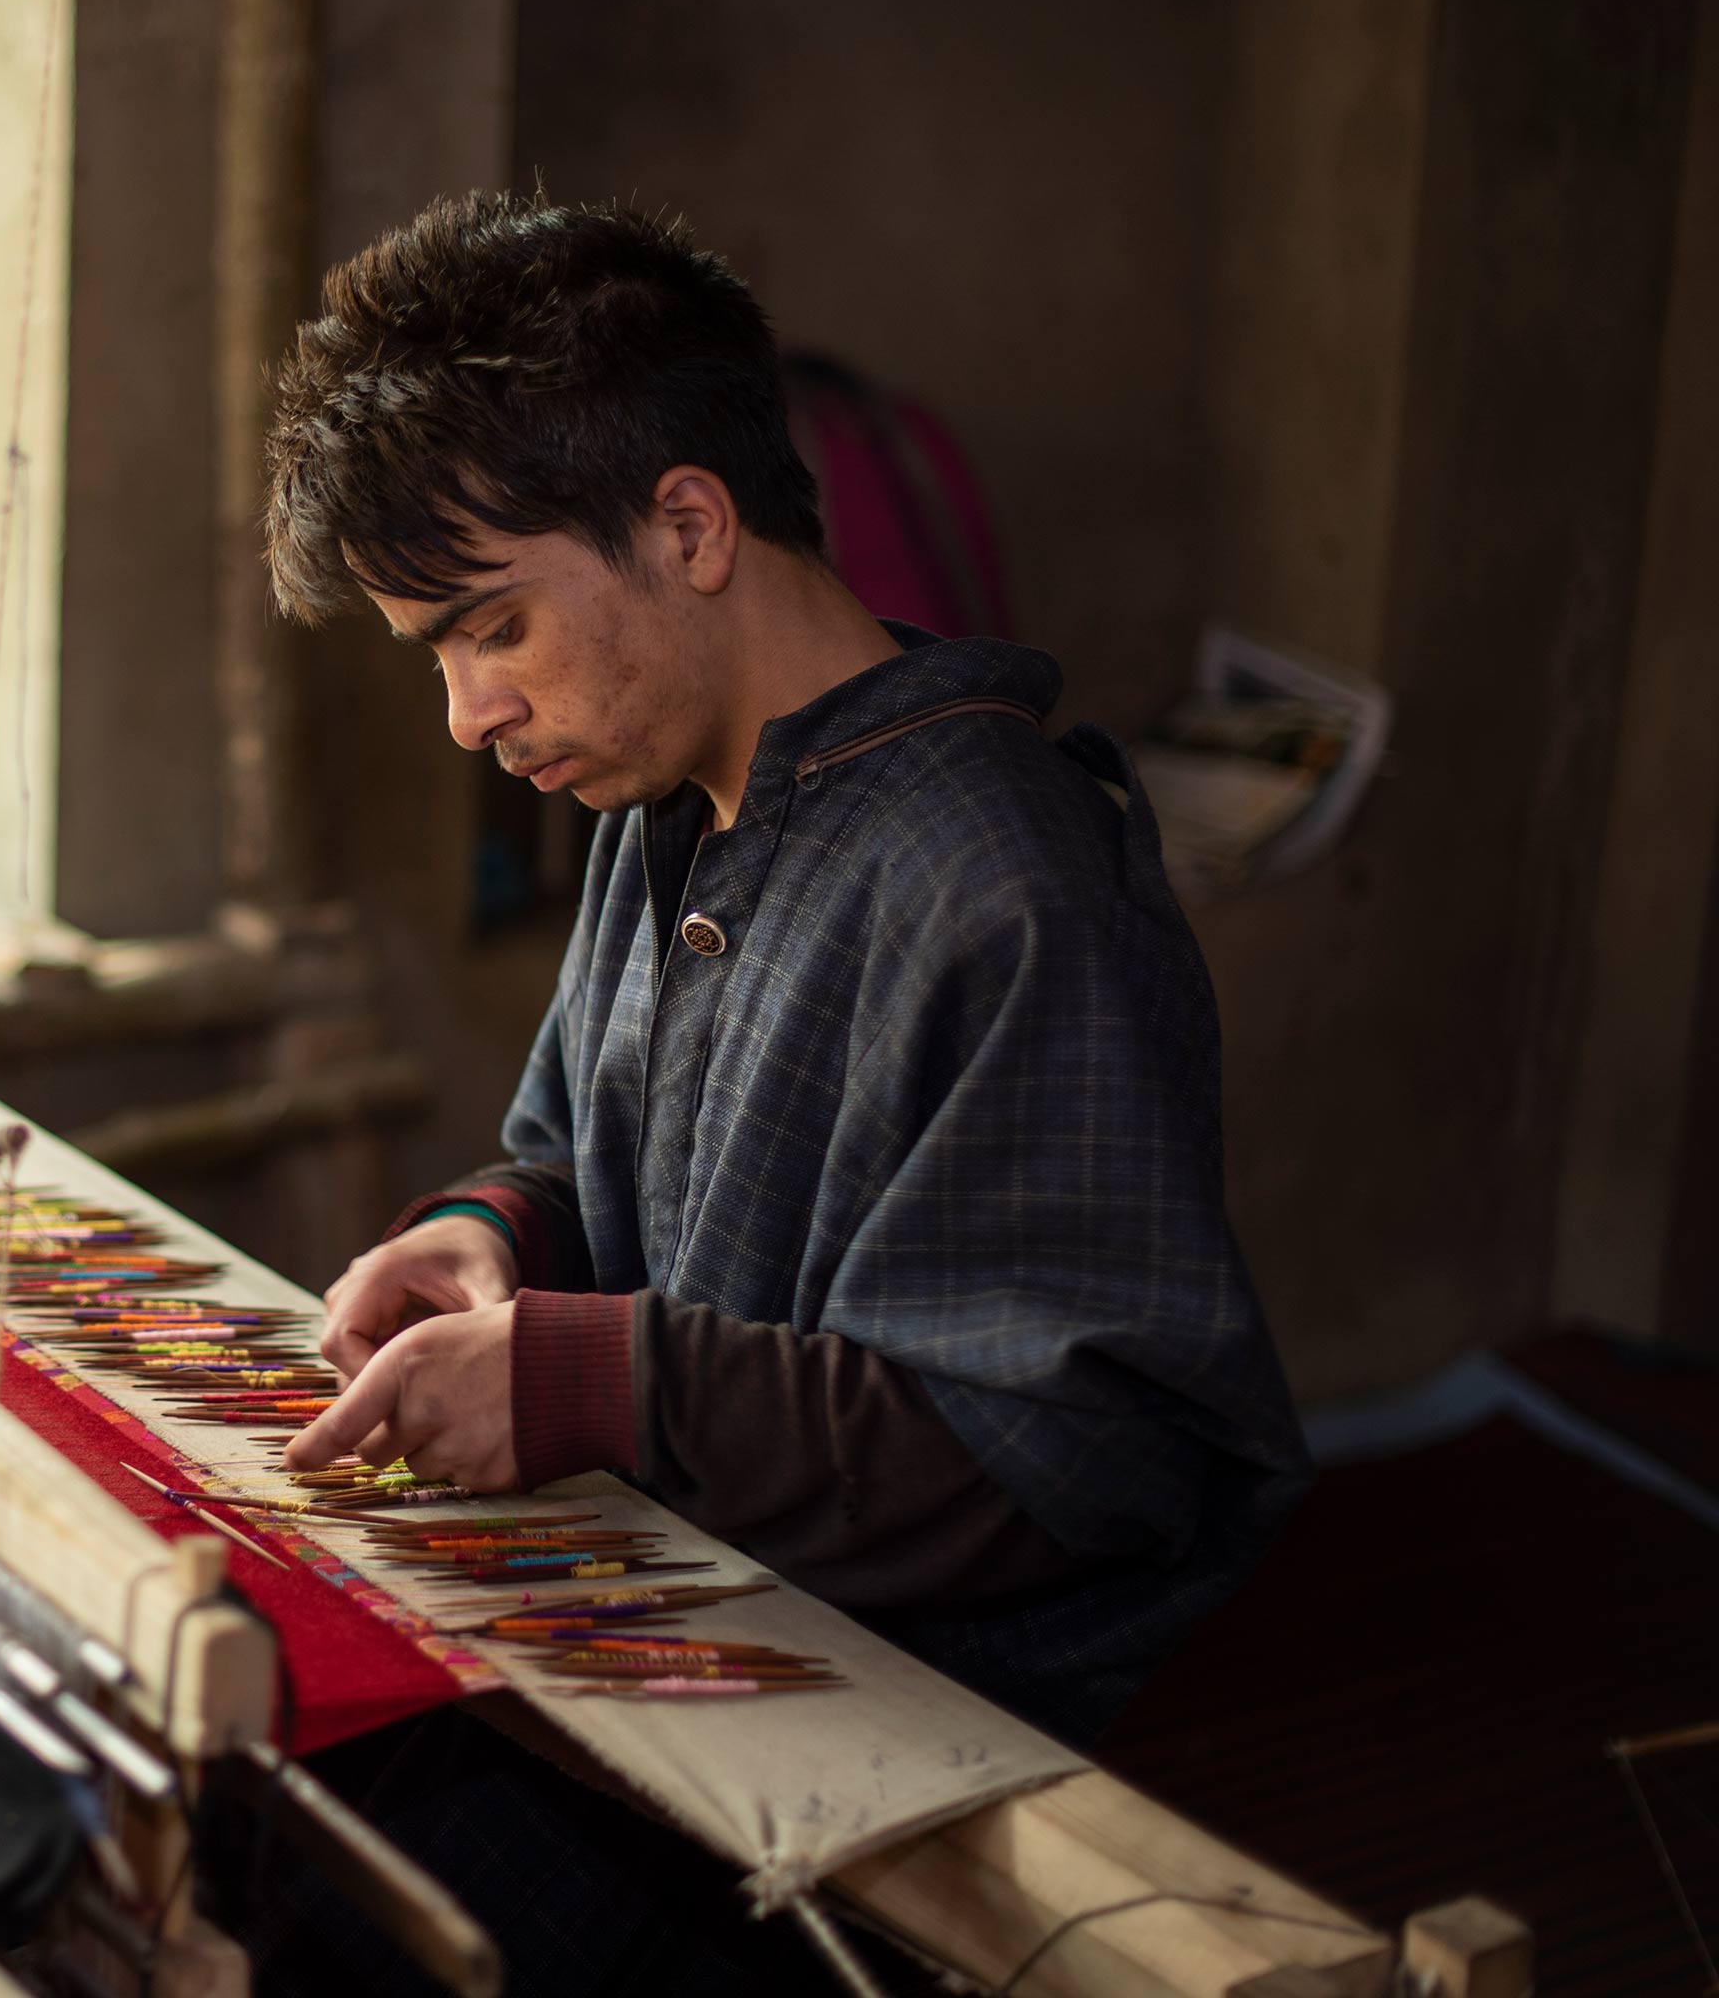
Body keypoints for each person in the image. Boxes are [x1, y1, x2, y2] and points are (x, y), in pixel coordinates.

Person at [266, 192, 1311, 1750]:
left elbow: (1085, 1453)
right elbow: (589, 1170)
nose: (470, 716)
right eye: (437, 655)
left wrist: (595, 1386)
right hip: (690, 1620)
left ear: (691, 530)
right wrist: (492, 1236)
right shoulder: (663, 801)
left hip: (900, 1740)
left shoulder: (1004, 874)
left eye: (495, 628)